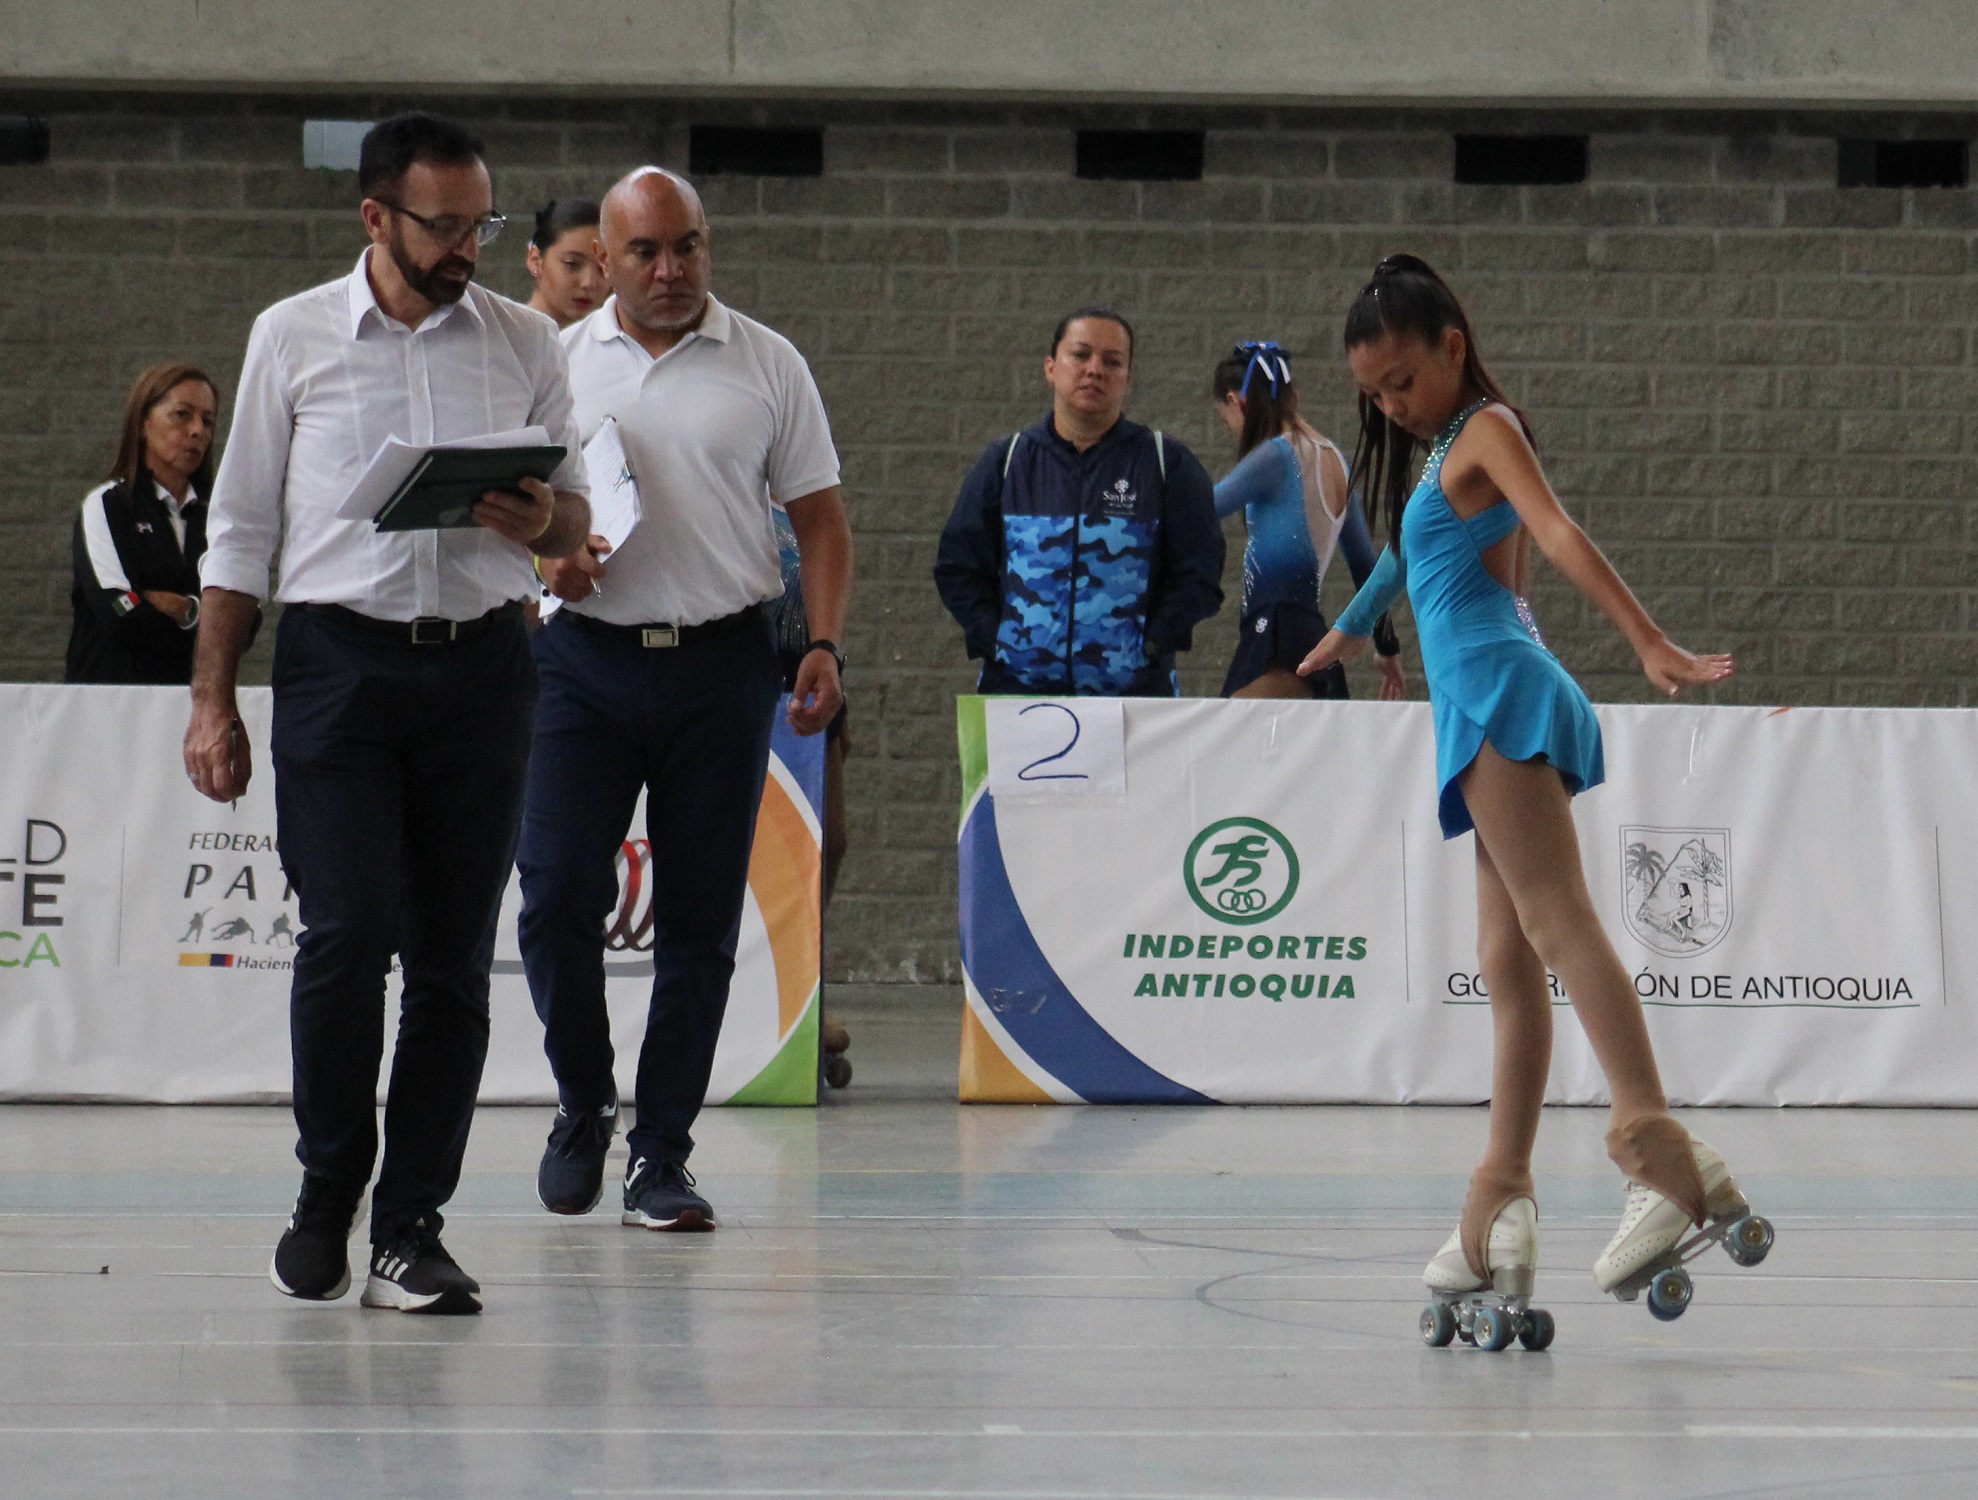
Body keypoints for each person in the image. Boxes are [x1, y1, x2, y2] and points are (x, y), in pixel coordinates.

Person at [183, 112, 592, 1316]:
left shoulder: (525, 339)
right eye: (443, 225)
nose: (467, 246)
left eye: (482, 225)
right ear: (376, 217)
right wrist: (212, 701)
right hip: (339, 669)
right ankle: (327, 1195)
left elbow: (578, 516)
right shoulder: (293, 334)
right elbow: (239, 532)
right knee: (346, 935)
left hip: (483, 670)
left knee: (453, 964)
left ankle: (411, 1228)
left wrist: (545, 526)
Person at [1301, 254, 1744, 1319]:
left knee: (1555, 925)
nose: (1390, 406)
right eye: (1373, 395)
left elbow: (1555, 531)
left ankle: (1652, 1143)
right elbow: (1403, 559)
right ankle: (1501, 1189)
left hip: (1499, 690)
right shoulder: (1442, 455)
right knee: (1505, 960)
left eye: (1402, 381)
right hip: (1480, 701)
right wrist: (1350, 628)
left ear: (1452, 346)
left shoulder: (1489, 429)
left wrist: (1647, 638)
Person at [521, 166, 852, 1231]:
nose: (670, 269)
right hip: (582, 665)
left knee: (701, 923)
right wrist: (544, 561)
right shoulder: (553, 362)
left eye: (688, 247)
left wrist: (823, 642)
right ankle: (583, 1102)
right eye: (645, 252)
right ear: (601, 260)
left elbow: (822, 521)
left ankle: (661, 1154)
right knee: (552, 898)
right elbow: (505, 509)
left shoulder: (768, 361)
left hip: (722, 664)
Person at [933, 308, 1224, 696]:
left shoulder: (1165, 463)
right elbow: (957, 566)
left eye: (1112, 361)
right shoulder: (1006, 461)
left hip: (1135, 699)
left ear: (1128, 378)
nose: (1095, 370)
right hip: (1015, 697)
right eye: (1080, 355)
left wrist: (1153, 643)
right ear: (1051, 368)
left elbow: (1201, 572)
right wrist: (997, 640)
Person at [1208, 341, 1405, 702]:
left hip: (1276, 635)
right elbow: (1366, 567)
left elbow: (1200, 510)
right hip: (1309, 636)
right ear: (1292, 396)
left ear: (1237, 402)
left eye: (1226, 419)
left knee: (1234, 736)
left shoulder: (1275, 456)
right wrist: (1386, 646)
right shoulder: (1337, 462)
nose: (1232, 429)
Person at [66, 364, 222, 684]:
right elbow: (119, 614)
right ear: (142, 423)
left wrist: (182, 608)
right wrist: (205, 619)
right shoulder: (108, 506)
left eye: (207, 421)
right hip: (111, 697)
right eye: (182, 415)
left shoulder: (218, 517)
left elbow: (244, 623)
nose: (198, 431)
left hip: (190, 699)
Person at [769, 504, 853, 1080]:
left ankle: (803, 986)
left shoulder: (809, 495)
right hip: (722, 677)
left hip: (803, 683)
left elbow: (823, 599)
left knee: (831, 840)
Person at [525, 198, 606, 328]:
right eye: (572, 264)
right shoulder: (504, 336)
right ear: (535, 261)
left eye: (603, 268)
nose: (588, 283)